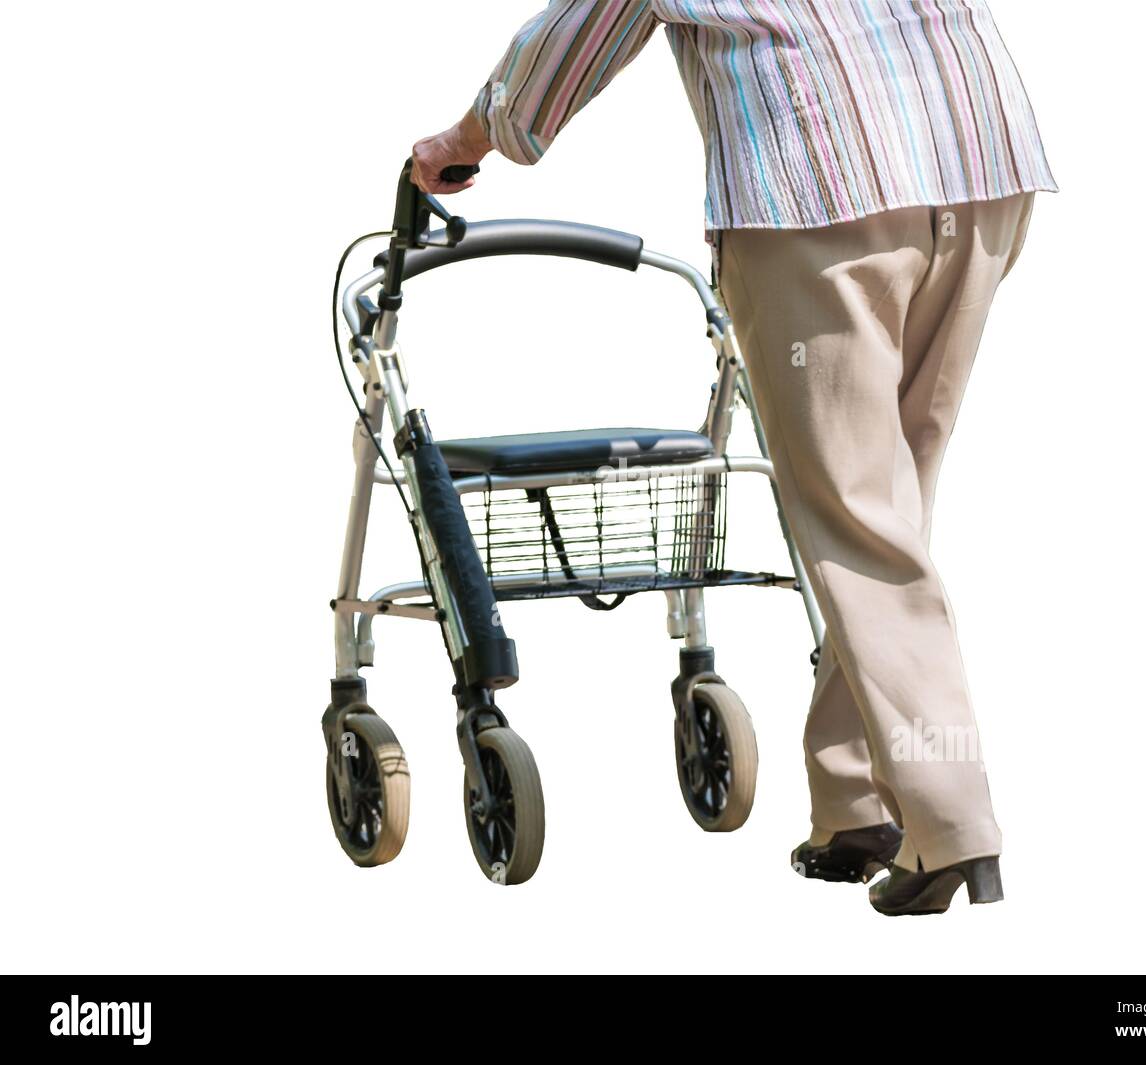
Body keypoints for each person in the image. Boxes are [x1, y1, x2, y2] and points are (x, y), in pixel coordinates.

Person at [412, 0, 1055, 916]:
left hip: (825, 190)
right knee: (890, 503)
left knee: (855, 517)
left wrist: (467, 135)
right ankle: (857, 802)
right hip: (979, 155)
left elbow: (573, 43)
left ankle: (951, 824)